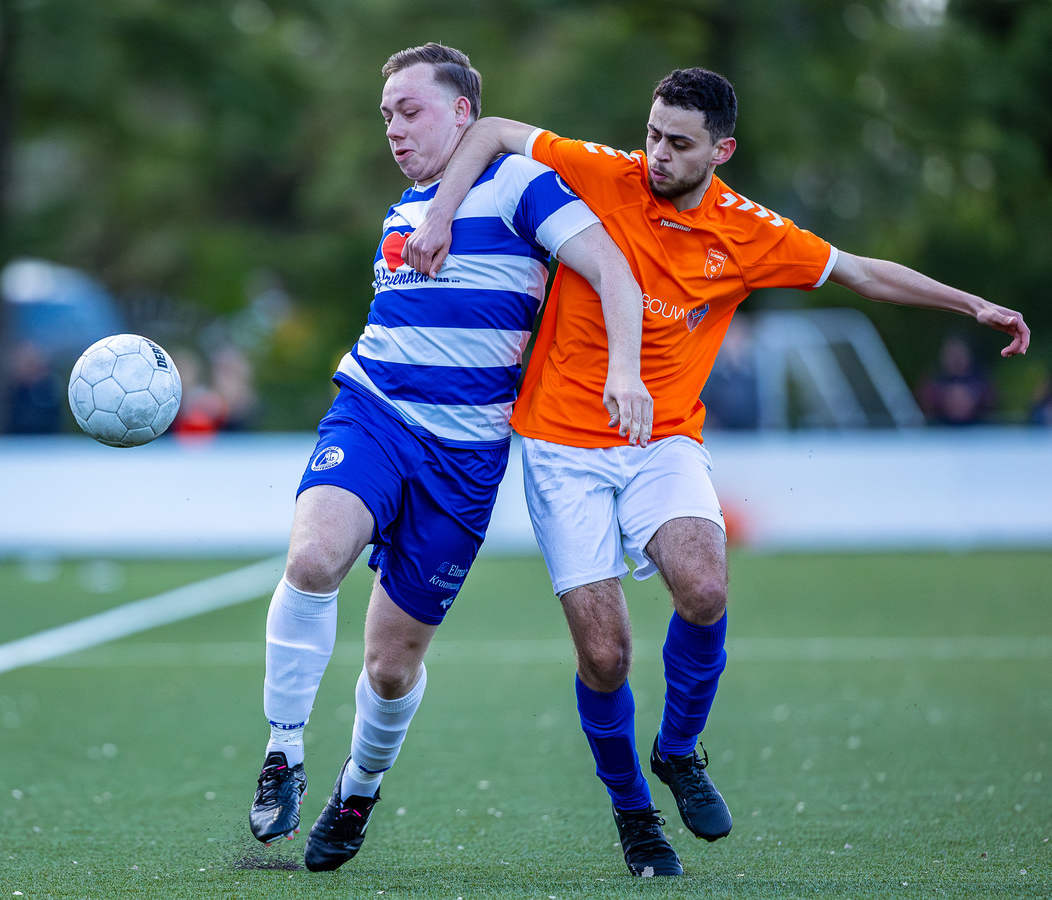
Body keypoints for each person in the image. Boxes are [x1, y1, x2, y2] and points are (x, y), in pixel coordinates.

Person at [403, 66, 1030, 877]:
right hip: (562, 446)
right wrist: (442, 215)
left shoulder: (750, 230)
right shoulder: (607, 170)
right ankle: (634, 818)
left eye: (678, 143)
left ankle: (680, 750)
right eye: (652, 132)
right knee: (606, 656)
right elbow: (490, 131)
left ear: (721, 150)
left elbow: (860, 271)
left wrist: (971, 304)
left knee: (704, 586)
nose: (655, 154)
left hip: (663, 441)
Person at [247, 42, 653, 873]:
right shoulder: (405, 207)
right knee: (314, 556)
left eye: (411, 110)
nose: (393, 129)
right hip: (373, 412)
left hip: (464, 458)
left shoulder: (520, 186)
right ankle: (283, 749)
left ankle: (359, 784)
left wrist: (621, 370)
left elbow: (611, 268)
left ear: (463, 112)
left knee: (390, 669)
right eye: (386, 115)